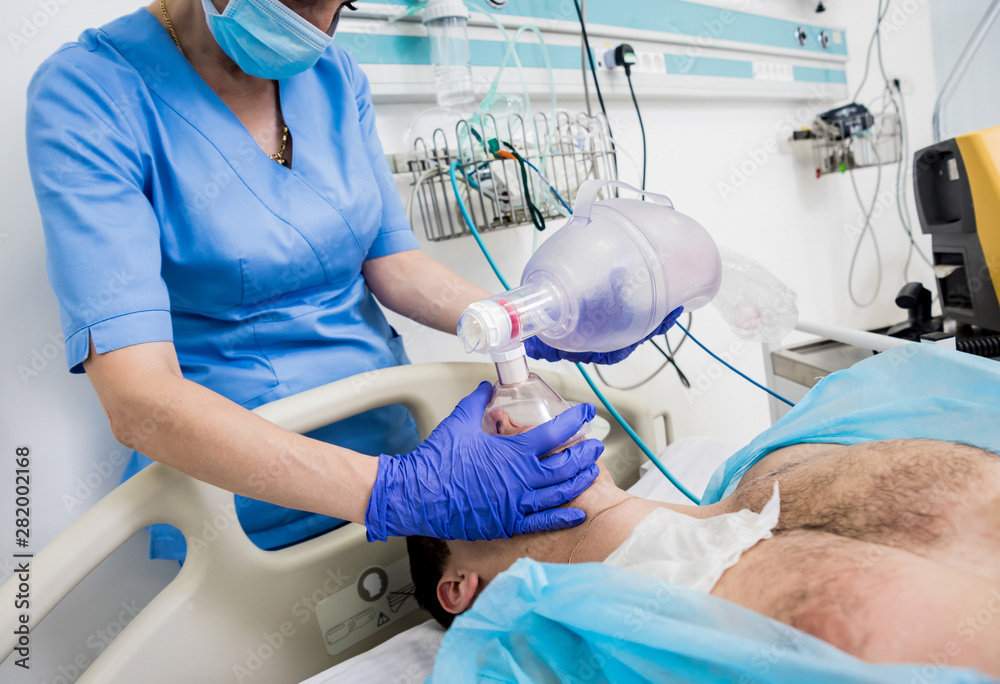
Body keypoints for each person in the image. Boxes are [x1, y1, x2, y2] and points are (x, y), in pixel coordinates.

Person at [25, 0, 681, 560]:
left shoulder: (334, 74)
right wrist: (396, 493)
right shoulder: (90, 95)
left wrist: (538, 317)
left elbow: (394, 266)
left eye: (339, 6)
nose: (318, 28)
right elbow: (142, 401)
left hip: (409, 451)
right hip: (245, 505)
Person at [408, 345, 1000, 676]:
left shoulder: (784, 448)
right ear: (458, 587)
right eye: (475, 457)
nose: (511, 417)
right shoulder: (587, 648)